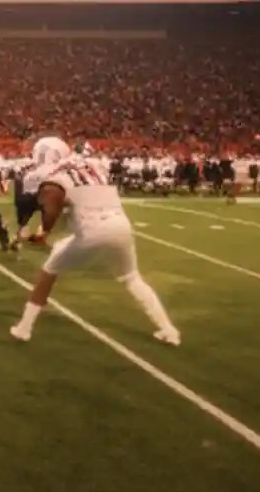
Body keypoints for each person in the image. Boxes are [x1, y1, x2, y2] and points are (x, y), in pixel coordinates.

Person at [10, 137, 180, 346]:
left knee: (49, 271)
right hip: (121, 225)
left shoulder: (52, 176)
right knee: (132, 277)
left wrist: (42, 233)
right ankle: (168, 330)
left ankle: (24, 328)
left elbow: (53, 203)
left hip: (92, 230)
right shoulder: (94, 165)